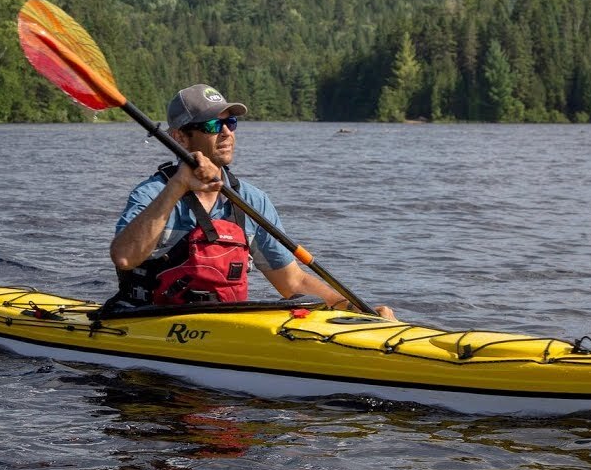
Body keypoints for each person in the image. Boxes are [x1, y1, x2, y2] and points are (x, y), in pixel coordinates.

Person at [110, 83, 395, 319]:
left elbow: (292, 282)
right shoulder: (152, 194)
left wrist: (357, 311)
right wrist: (177, 186)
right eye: (213, 124)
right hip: (148, 322)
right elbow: (124, 257)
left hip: (224, 328)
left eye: (231, 122)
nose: (227, 132)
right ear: (180, 138)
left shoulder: (250, 200)